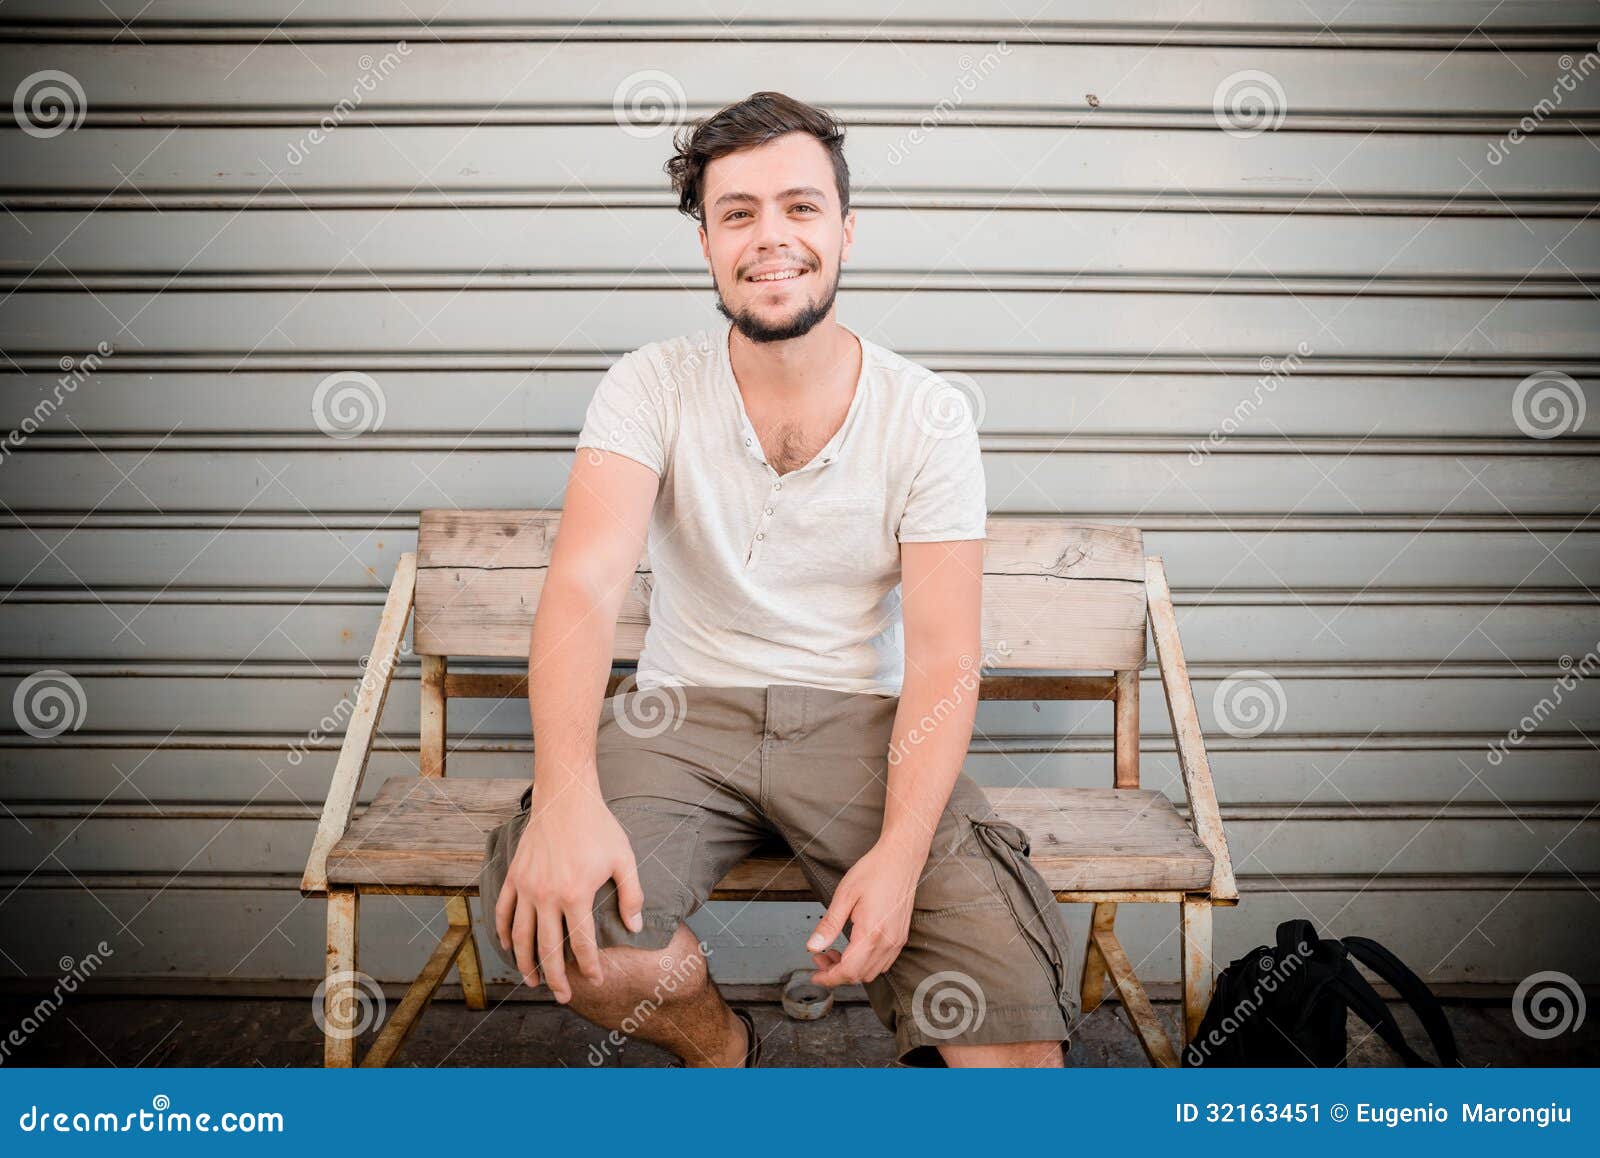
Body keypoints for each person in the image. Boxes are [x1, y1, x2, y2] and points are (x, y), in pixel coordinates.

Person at [480, 91, 1078, 1068]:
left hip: (863, 725)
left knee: (1013, 1059)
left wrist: (899, 854)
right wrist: (564, 795)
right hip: (678, 719)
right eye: (737, 213)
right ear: (707, 240)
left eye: (800, 208)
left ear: (846, 231)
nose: (772, 237)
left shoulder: (925, 414)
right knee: (571, 935)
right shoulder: (648, 385)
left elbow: (942, 654)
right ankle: (723, 1052)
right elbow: (582, 591)